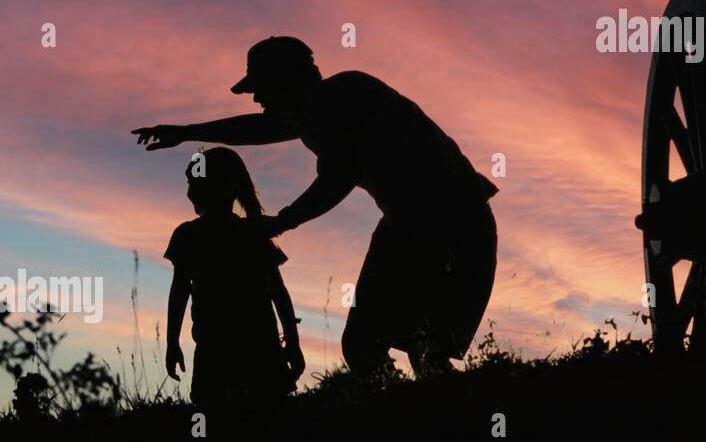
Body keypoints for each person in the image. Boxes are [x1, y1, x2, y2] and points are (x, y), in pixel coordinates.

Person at [136, 37, 498, 378]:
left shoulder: (337, 100)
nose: (256, 98)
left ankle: (413, 417)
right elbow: (261, 128)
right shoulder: (327, 104)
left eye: (260, 87)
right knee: (387, 346)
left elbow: (338, 176)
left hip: (448, 227)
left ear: (285, 80)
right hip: (422, 225)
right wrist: (186, 131)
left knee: (395, 346)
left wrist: (282, 221)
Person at [164, 146, 305, 410]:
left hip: (223, 352)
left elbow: (179, 292)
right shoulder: (251, 233)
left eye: (193, 183)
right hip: (253, 351)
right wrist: (293, 343)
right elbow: (279, 293)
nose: (189, 191)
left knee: (221, 427)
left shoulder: (190, 236)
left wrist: (172, 343)